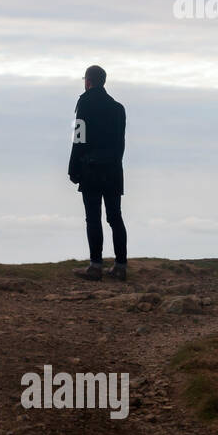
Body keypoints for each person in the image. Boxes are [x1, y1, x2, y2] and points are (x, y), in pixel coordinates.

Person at [68, 65, 128, 281]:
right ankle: (121, 266)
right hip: (113, 170)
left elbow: (79, 137)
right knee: (115, 217)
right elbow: (121, 144)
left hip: (91, 170)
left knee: (93, 218)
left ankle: (95, 267)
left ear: (88, 81)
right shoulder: (118, 108)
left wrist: (73, 167)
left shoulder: (84, 103)